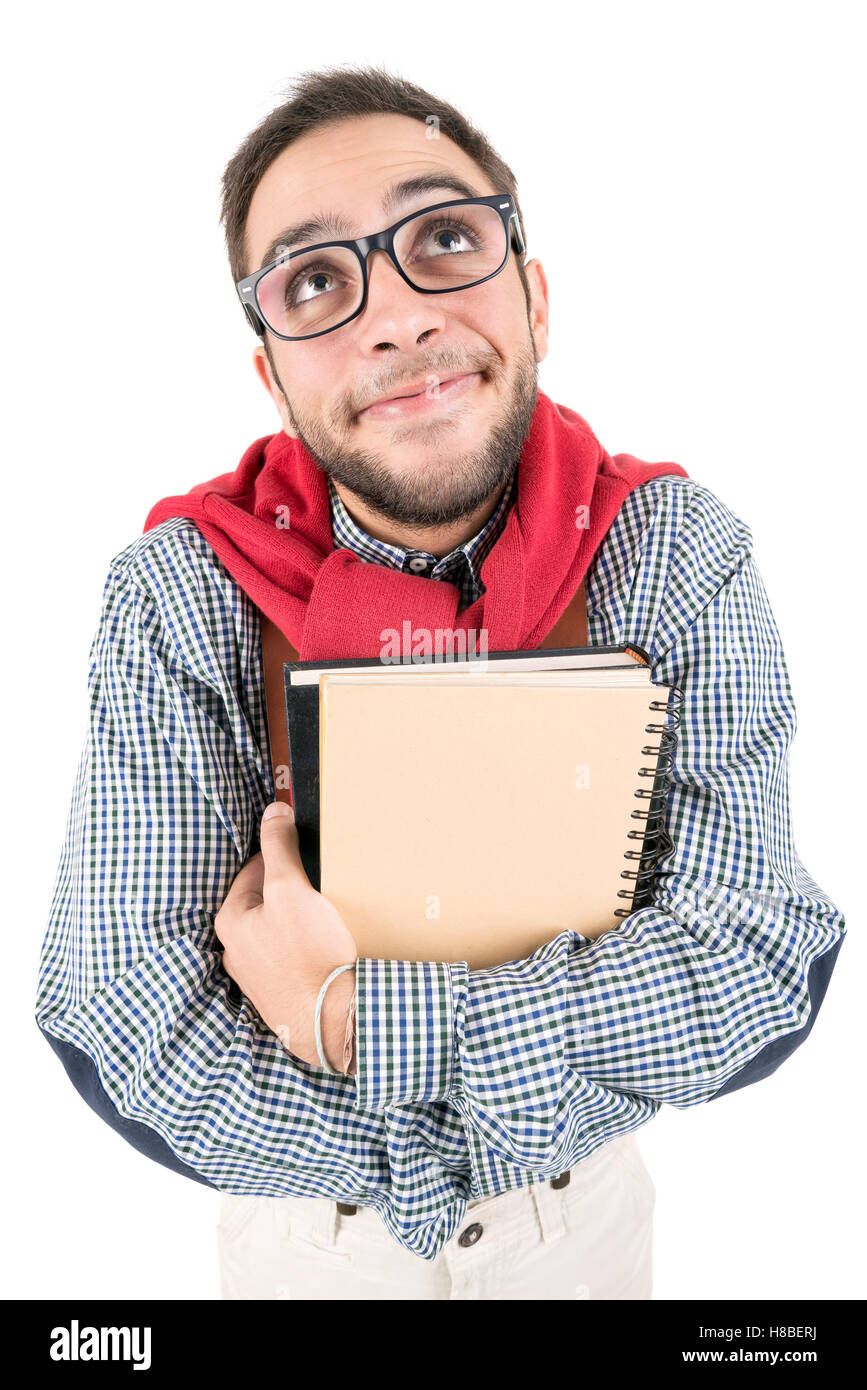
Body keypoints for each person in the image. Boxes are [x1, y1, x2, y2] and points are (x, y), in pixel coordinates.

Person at [35, 64, 846, 1302]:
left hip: (586, 1237)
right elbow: (131, 1033)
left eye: (444, 241)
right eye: (316, 281)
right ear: (273, 375)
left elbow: (756, 960)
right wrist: (532, 1088)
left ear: (531, 296)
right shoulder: (180, 597)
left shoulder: (676, 551)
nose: (397, 318)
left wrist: (345, 1020)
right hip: (309, 1249)